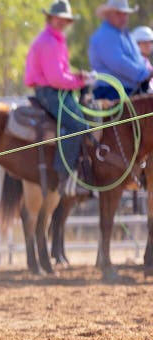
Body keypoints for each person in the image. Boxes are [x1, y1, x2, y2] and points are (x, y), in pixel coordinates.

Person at [25, 0, 95, 196]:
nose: (63, 22)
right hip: (49, 92)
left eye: (66, 19)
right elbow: (56, 78)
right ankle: (63, 175)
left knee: (80, 119)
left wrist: (76, 78)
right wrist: (79, 82)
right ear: (51, 17)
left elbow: (60, 73)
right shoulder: (49, 42)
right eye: (60, 18)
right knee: (77, 125)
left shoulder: (55, 40)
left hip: (54, 90)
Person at [89, 0, 153, 100]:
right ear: (108, 15)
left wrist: (146, 72)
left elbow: (137, 58)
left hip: (128, 90)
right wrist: (144, 74)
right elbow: (118, 62)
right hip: (111, 91)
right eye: (119, 13)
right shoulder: (105, 35)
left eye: (125, 14)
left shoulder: (125, 34)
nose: (123, 17)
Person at [131, 25, 153, 91]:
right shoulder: (134, 62)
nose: (148, 46)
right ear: (136, 44)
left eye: (150, 42)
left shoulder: (146, 61)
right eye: (145, 43)